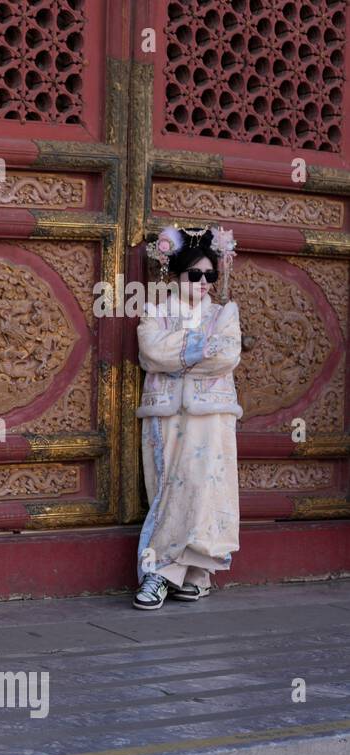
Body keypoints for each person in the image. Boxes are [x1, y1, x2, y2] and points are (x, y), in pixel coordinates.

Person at [134, 224, 242, 610]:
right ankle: (162, 571)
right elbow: (151, 353)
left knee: (207, 490)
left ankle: (192, 574)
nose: (202, 282)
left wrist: (177, 353)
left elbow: (227, 354)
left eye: (209, 275)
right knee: (170, 489)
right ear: (177, 276)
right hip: (166, 413)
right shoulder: (154, 312)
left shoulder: (225, 314)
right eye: (194, 275)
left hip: (211, 415)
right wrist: (201, 348)